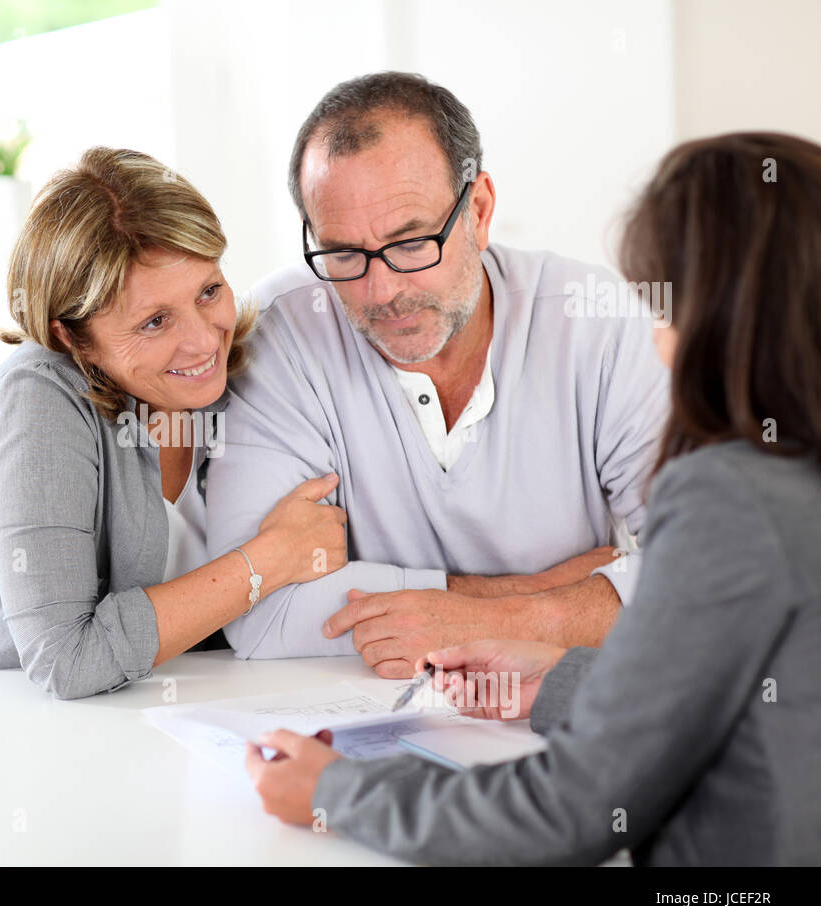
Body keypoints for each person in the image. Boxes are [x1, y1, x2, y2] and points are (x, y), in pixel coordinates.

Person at [246, 131, 821, 865]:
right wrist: (558, 679)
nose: (658, 342)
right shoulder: (792, 473)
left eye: (668, 309)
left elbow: (569, 812)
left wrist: (336, 793)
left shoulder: (731, 496)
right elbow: (724, 689)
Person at [206, 72, 670, 674]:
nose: (383, 291)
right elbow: (258, 613)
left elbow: (704, 569)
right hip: (358, 721)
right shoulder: (279, 332)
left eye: (411, 241)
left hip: (553, 721)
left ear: (478, 210)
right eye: (343, 253)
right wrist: (537, 597)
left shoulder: (595, 322)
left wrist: (499, 621)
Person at [0, 147, 348, 699]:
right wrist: (270, 560)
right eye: (154, 322)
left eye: (208, 291)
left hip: (137, 727)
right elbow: (66, 660)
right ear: (71, 337)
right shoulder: (39, 402)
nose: (203, 340)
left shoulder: (248, 375)